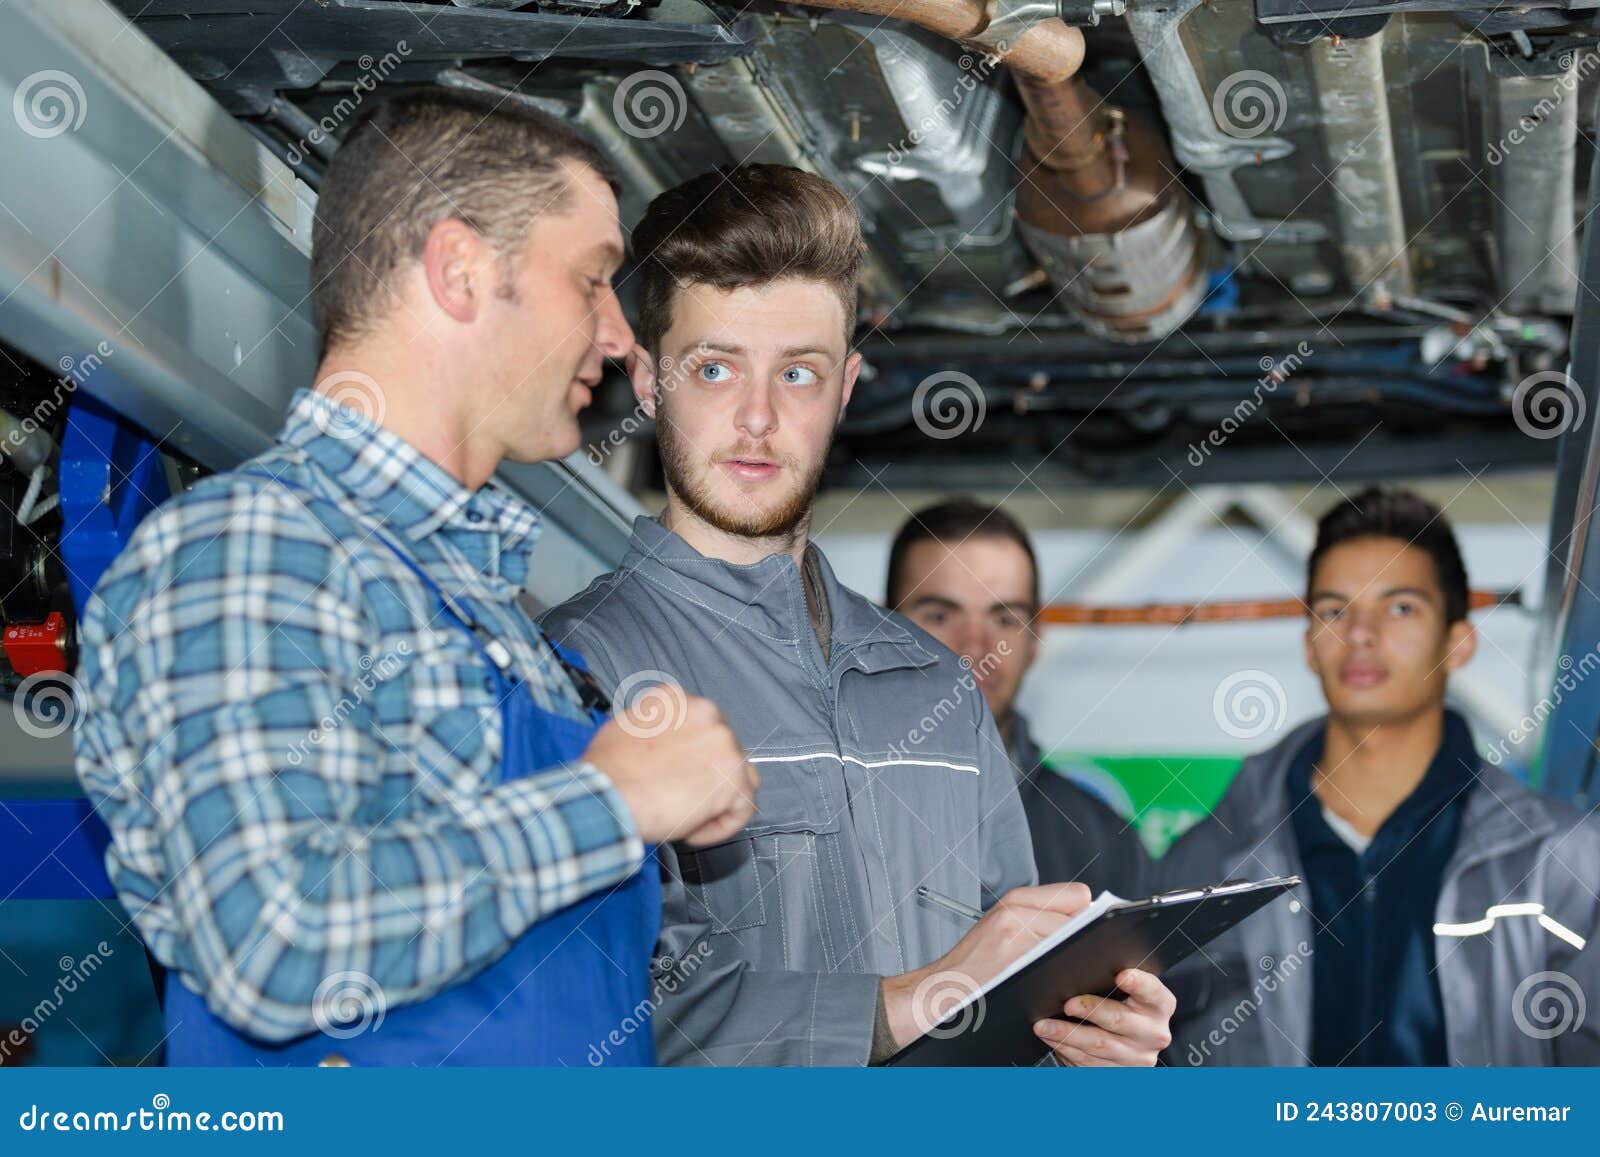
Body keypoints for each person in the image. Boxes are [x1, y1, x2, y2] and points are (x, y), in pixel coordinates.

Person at [72, 89, 758, 1067]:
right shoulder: (253, 545)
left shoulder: (504, 625)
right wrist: (614, 801)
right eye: (594, 281)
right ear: (461, 270)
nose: (618, 338)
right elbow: (269, 940)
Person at [542, 163, 1175, 1067]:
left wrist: (1085, 1042)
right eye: (714, 367)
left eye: (797, 372)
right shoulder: (580, 668)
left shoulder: (940, 687)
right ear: (647, 379)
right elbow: (594, 1023)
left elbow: (1011, 1013)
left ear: (846, 386)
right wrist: (917, 997)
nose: (757, 418)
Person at [1159, 486, 1600, 1065]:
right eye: (1335, 610)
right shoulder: (1207, 866)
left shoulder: (1561, 860)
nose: (1361, 634)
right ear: (1310, 646)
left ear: (1458, 643)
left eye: (1400, 607)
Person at [885, 498, 1149, 896]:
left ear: (1035, 640)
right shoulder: (824, 815)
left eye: (1005, 619)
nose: (976, 647)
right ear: (878, 629)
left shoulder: (1102, 840)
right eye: (940, 616)